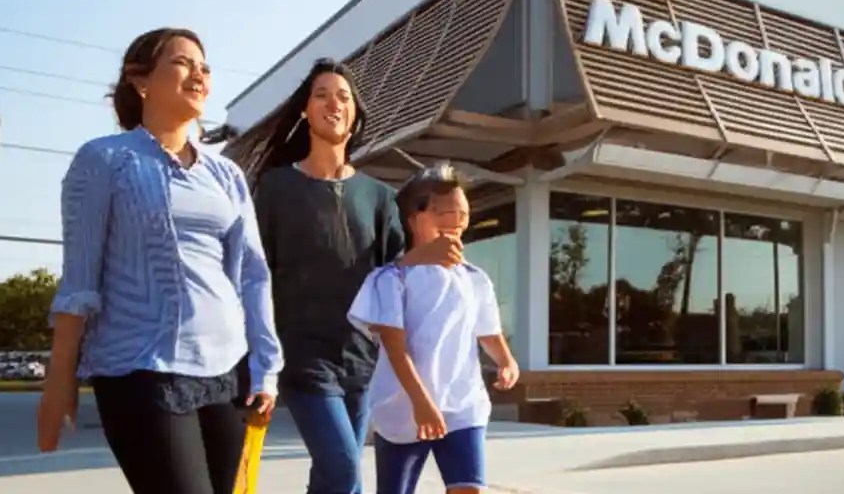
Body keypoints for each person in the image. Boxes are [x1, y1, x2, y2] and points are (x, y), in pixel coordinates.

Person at [36, 27, 283, 494]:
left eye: (205, 67)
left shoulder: (226, 174)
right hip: (141, 372)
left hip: (227, 374)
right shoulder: (104, 160)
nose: (199, 74)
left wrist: (265, 367)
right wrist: (58, 381)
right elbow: (79, 280)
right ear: (140, 80)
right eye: (183, 62)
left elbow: (252, 274)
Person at [247, 58, 463, 494]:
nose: (334, 103)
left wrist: (426, 255)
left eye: (343, 96)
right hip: (303, 356)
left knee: (331, 476)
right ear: (306, 110)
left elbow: (391, 278)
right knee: (345, 469)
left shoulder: (380, 198)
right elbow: (253, 274)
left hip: (361, 362)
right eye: (322, 95)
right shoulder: (275, 189)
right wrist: (255, 360)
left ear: (355, 114)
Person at [347, 163, 519, 494]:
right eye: (442, 213)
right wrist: (421, 403)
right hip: (403, 408)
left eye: (463, 213)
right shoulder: (391, 280)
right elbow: (396, 349)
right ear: (413, 219)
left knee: (469, 488)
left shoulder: (475, 279)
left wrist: (506, 361)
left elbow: (487, 331)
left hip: (462, 406)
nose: (455, 222)